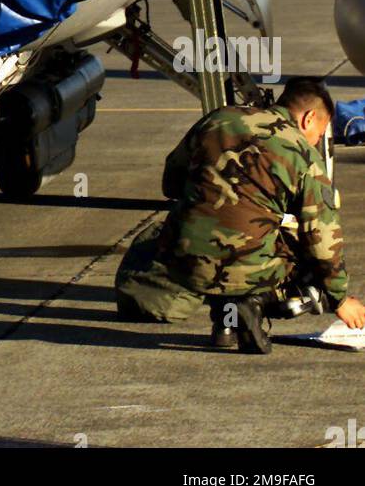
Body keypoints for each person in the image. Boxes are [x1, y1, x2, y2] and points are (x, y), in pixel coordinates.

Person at [114, 78, 365, 353]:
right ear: (308, 119)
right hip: (246, 270)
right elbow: (323, 241)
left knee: (215, 226)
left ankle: (225, 323)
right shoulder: (304, 155)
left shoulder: (220, 118)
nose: (318, 140)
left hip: (182, 264)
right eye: (320, 132)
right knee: (301, 250)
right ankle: (254, 302)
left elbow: (171, 182)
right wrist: (339, 299)